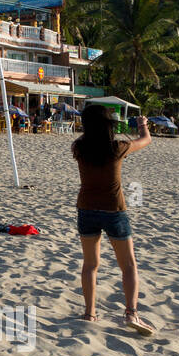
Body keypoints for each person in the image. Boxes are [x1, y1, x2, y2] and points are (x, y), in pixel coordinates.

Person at [73, 104, 156, 335]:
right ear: (108, 124)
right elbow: (146, 139)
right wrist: (142, 124)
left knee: (90, 265)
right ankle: (131, 312)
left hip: (86, 209)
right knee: (128, 265)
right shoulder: (117, 147)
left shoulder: (79, 147)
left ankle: (90, 312)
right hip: (114, 209)